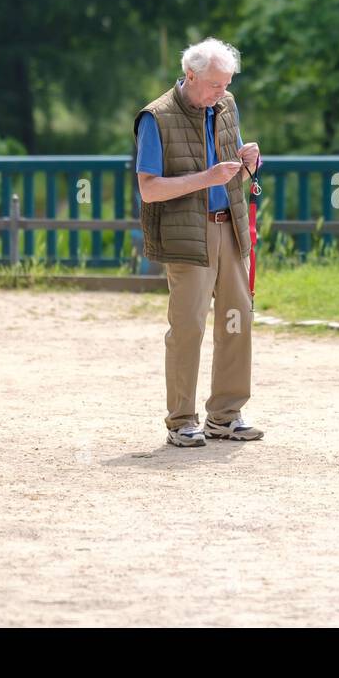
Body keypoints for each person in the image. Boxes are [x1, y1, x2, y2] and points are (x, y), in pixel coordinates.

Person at [136, 38, 263, 447]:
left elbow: (234, 178)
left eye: (226, 84)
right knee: (188, 326)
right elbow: (149, 190)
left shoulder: (226, 106)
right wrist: (205, 178)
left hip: (230, 226)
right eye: (214, 85)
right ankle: (181, 420)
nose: (221, 93)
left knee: (237, 318)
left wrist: (248, 165)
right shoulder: (155, 117)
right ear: (190, 76)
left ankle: (225, 415)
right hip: (187, 232)